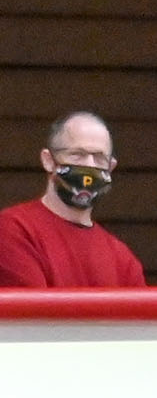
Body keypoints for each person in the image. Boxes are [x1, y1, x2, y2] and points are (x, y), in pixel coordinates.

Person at [0, 111, 144, 288]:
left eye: (99, 158)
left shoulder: (123, 260)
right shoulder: (15, 229)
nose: (89, 165)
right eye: (77, 154)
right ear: (48, 160)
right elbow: (31, 314)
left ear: (111, 167)